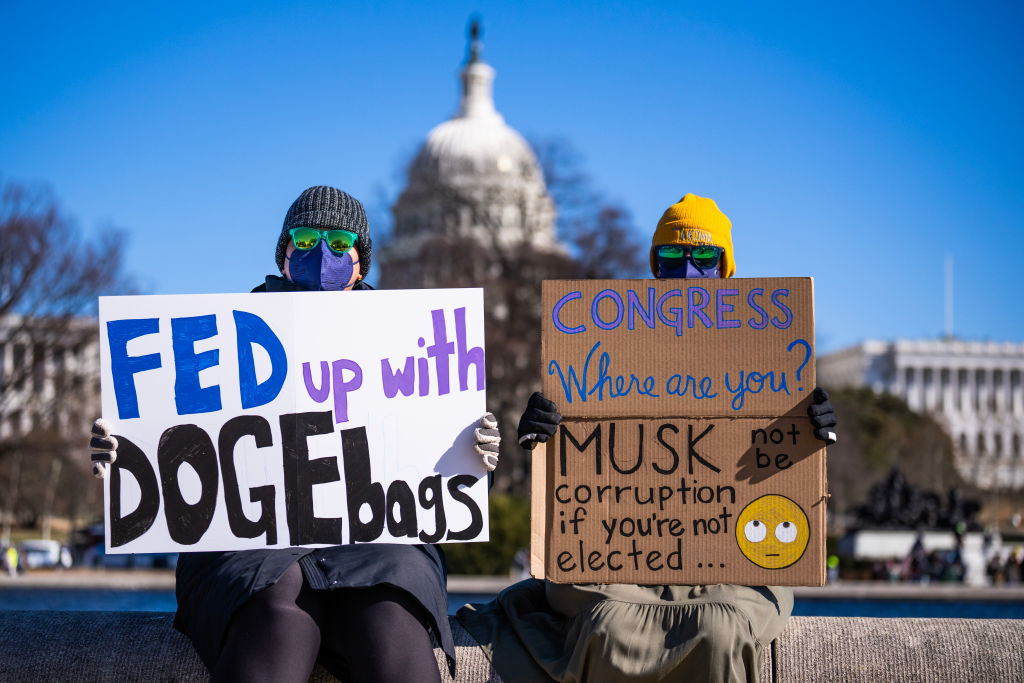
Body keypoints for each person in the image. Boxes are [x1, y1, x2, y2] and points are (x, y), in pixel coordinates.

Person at [89, 186, 501, 683]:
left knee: (390, 615)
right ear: (284, 255)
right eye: (304, 239)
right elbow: (174, 439)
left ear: (361, 262)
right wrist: (126, 453)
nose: (319, 252)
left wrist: (478, 457)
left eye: (337, 240)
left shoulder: (412, 345)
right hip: (252, 544)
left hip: (379, 542)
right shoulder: (222, 339)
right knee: (275, 614)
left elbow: (435, 483)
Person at [457, 193, 838, 683]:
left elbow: (779, 477)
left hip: (730, 566)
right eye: (672, 257)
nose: (688, 269)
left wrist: (812, 433)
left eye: (704, 257)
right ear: (654, 266)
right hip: (619, 564)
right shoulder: (601, 342)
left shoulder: (769, 355)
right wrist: (543, 437)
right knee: (609, 622)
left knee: (721, 625)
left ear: (726, 268)